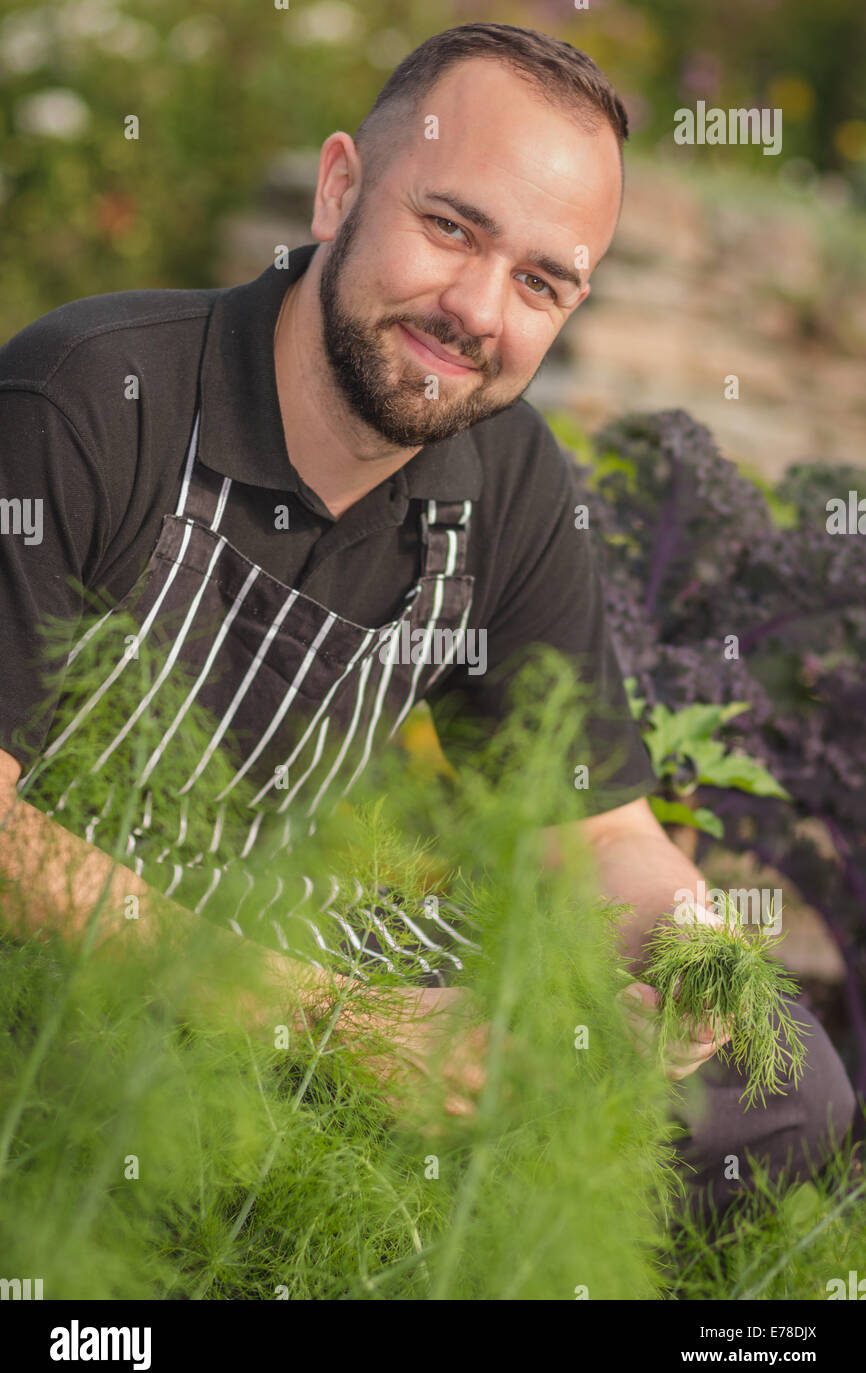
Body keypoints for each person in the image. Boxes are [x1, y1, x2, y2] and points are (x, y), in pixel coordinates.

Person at [0, 23, 855, 1216]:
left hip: (278, 937)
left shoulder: (506, 482)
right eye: (450, 227)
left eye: (538, 280)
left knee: (781, 1086)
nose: (474, 309)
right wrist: (348, 1026)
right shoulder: (89, 394)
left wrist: (687, 944)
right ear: (340, 185)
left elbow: (595, 835)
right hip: (74, 976)